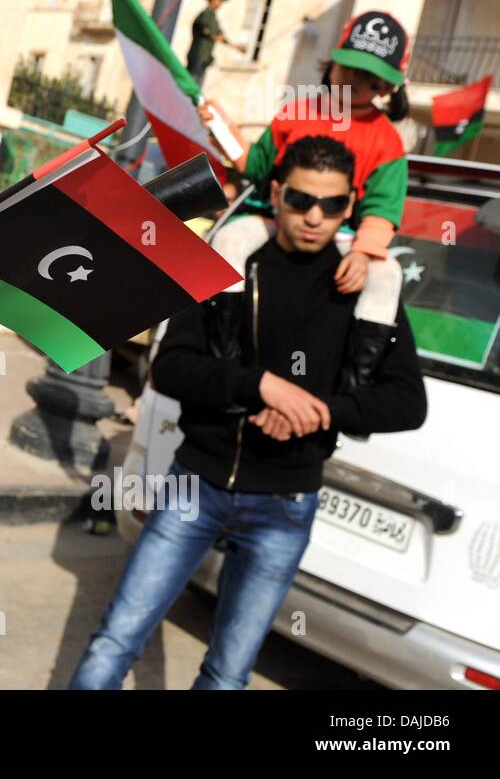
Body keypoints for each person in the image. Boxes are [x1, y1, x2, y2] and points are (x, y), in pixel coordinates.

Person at [70, 136, 427, 690]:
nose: (314, 217)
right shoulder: (232, 261)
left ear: (351, 206)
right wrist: (261, 387)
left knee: (229, 672)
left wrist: (316, 410)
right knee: (116, 640)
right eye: (301, 200)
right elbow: (172, 367)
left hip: (285, 505)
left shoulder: (368, 287)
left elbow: (408, 402)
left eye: (331, 205)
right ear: (278, 193)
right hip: (198, 482)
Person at [205, 10, 413, 390]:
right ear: (331, 64)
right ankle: (224, 357)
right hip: (277, 215)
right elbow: (256, 164)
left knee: (388, 274)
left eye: (366, 78)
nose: (352, 81)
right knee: (229, 241)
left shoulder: (388, 141)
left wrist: (364, 254)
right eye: (347, 68)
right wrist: (223, 130)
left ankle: (356, 385)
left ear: (384, 88)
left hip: (344, 230)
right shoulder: (297, 110)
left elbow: (383, 209)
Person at [187, 0, 245, 85]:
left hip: (205, 57)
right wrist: (214, 36)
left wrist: (235, 46)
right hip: (198, 55)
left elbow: (220, 35)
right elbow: (205, 30)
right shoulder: (205, 15)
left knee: (197, 86)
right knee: (190, 84)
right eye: (220, 0)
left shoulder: (213, 17)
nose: (221, 3)